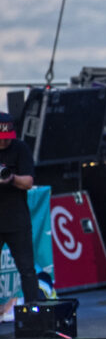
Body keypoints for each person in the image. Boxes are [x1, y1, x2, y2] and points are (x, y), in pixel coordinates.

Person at [0, 111, 39, 307]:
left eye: (7, 139)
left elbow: (29, 182)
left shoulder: (20, 148)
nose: (4, 143)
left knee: (27, 270)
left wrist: (11, 178)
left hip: (17, 221)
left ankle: (35, 315)